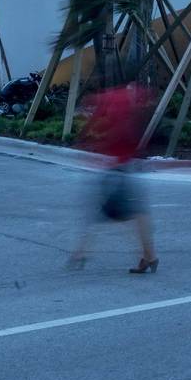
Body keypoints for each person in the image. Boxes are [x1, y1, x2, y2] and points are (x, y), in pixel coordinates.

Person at [67, 82, 158, 274]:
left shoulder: (107, 99)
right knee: (133, 212)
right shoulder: (127, 97)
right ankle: (149, 256)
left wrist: (88, 142)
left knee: (108, 211)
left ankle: (81, 253)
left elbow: (100, 126)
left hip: (119, 166)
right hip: (126, 162)